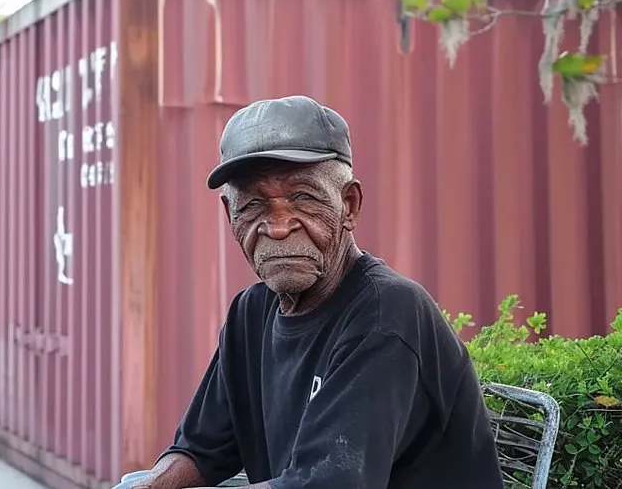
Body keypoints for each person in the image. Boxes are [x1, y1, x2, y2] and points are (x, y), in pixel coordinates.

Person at [129, 96, 504, 489]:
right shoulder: (250, 314)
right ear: (230, 216)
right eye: (253, 204)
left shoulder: (386, 315)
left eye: (303, 198)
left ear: (349, 205)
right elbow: (200, 449)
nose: (276, 227)